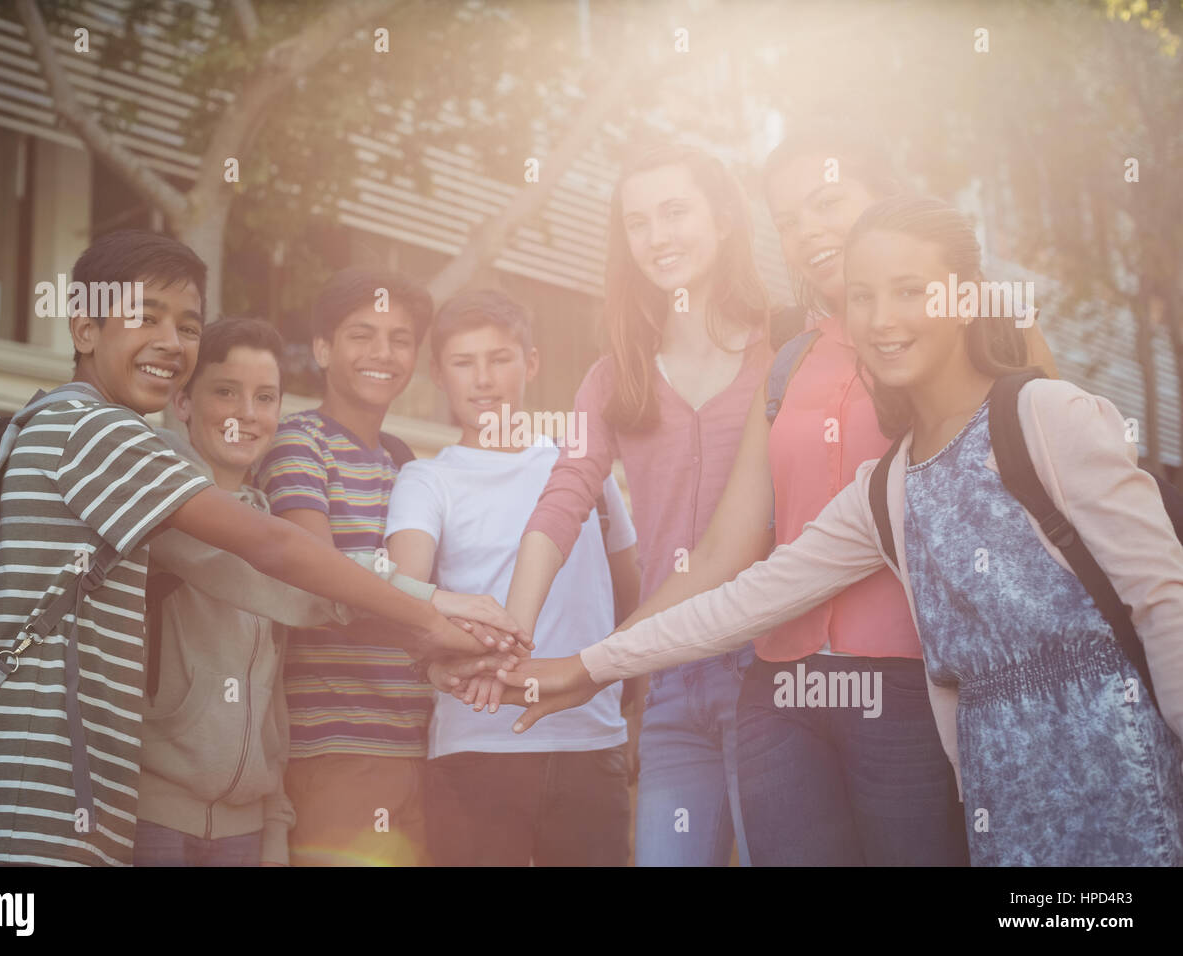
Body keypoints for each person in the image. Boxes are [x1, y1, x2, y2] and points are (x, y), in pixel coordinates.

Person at [497, 196, 1183, 866]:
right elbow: (747, 599)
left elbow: (1164, 600)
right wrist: (590, 667)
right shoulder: (886, 489)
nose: (882, 320)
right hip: (1002, 813)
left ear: (966, 299)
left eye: (910, 292)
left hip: (1129, 793)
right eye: (862, 297)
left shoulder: (1047, 416)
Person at [0, 232, 519, 867]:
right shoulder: (92, 429)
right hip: (28, 805)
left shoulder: (93, 443)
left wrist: (426, 634)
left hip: (63, 800)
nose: (171, 342)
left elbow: (267, 577)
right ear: (85, 328)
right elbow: (269, 547)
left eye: (186, 325)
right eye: (143, 317)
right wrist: (434, 610)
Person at [496, 144, 775, 866]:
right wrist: (511, 633)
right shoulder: (615, 375)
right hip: (670, 677)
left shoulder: (788, 350)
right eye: (637, 222)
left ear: (722, 217)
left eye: (675, 211)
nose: (657, 237)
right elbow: (564, 500)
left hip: (778, 665)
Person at [133, 317, 493, 866]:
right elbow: (296, 575)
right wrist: (432, 605)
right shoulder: (158, 484)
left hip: (244, 825)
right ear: (181, 402)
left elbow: (272, 701)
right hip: (152, 811)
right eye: (225, 392)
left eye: (265, 397)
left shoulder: (265, 513)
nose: (247, 414)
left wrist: (273, 825)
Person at [384, 289, 641, 866]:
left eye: (500, 358)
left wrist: (635, 717)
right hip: (476, 744)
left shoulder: (582, 470)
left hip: (591, 743)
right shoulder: (427, 481)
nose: (483, 380)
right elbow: (403, 591)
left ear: (531, 362)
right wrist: (433, 659)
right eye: (463, 362)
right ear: (437, 374)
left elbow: (634, 598)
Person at [255, 267, 462, 866]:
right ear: (322, 349)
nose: (382, 353)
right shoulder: (299, 443)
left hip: (420, 742)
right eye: (361, 334)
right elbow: (320, 577)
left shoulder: (405, 462)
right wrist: (436, 616)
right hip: (337, 744)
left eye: (400, 339)